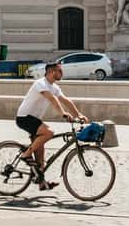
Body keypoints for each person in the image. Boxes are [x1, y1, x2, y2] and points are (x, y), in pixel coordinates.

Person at [16, 62, 87, 191]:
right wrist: (63, 114)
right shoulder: (41, 84)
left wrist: (79, 115)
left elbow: (66, 100)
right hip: (24, 118)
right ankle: (26, 155)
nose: (62, 73)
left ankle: (42, 183)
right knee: (49, 132)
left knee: (40, 156)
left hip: (35, 120)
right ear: (51, 72)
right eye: (60, 71)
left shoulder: (53, 86)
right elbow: (52, 99)